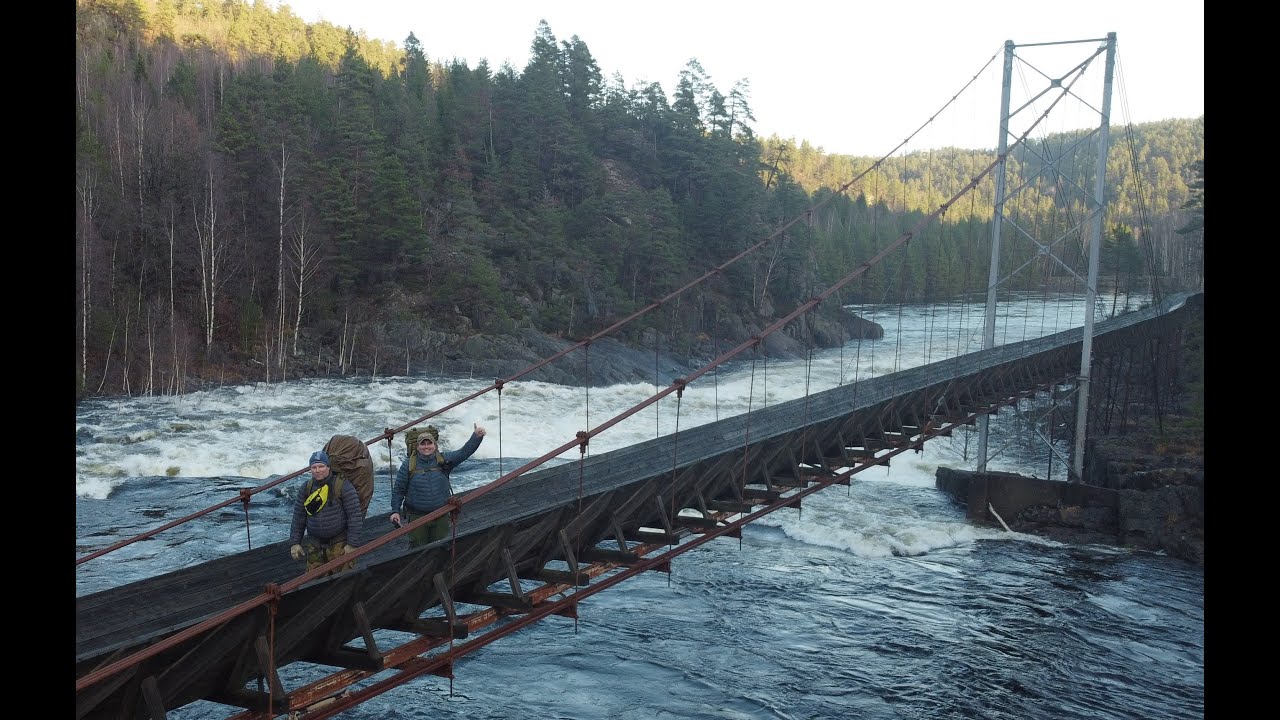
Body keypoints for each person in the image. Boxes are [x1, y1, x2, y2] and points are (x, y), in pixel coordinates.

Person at [390, 423, 486, 546]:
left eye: (429, 443)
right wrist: (395, 511)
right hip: (417, 517)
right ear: (417, 447)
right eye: (422, 444)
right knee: (418, 550)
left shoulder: (443, 460)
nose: (426, 447)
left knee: (442, 547)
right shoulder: (408, 465)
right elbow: (398, 490)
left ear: (434, 445)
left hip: (441, 514)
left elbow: (463, 453)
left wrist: (476, 437)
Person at [288, 450, 364, 576]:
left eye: (321, 466)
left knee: (344, 581)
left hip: (339, 545)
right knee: (312, 583)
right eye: (314, 467)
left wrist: (352, 544)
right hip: (314, 545)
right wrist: (295, 543)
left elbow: (354, 516)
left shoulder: (342, 486)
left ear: (328, 467)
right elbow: (298, 517)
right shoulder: (306, 488)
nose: (317, 470)